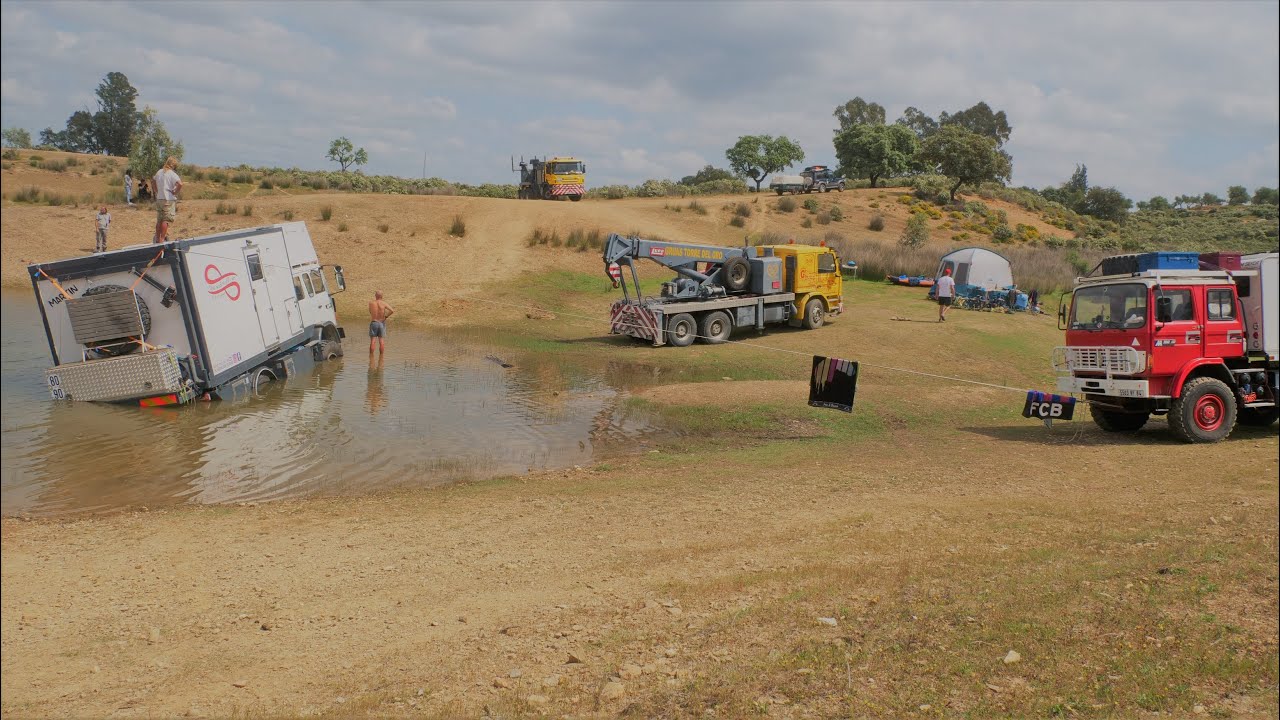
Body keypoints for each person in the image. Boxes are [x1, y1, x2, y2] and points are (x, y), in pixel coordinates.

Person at [152, 157, 183, 244]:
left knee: (159, 220)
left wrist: (156, 190)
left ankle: (157, 239)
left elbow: (153, 180)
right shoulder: (172, 173)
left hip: (159, 199)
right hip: (168, 199)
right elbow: (180, 184)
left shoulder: (159, 172)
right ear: (173, 165)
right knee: (165, 220)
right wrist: (175, 192)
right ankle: (162, 240)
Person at [368, 290, 395, 354]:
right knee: (381, 341)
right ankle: (381, 356)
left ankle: (371, 356)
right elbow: (392, 310)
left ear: (375, 296)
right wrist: (386, 317)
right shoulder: (384, 303)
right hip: (381, 323)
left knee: (373, 341)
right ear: (382, 296)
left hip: (374, 322)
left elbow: (370, 312)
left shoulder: (371, 303)